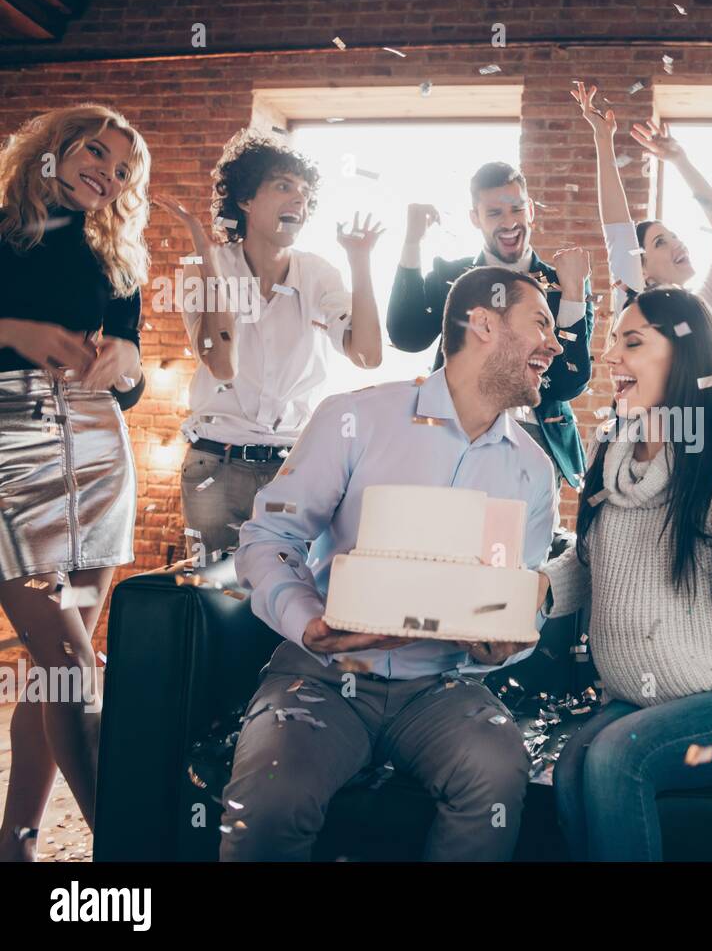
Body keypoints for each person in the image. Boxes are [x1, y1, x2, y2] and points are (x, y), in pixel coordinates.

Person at [222, 266, 562, 861]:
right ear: (483, 323)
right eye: (541, 324)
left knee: (498, 769)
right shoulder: (356, 418)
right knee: (272, 795)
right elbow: (268, 535)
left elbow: (516, 601)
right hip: (322, 676)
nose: (556, 346)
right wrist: (309, 622)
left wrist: (505, 644)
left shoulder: (533, 471)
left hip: (443, 686)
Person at [538, 286, 712, 861]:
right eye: (613, 342)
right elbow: (589, 565)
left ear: (683, 354)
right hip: (644, 698)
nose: (611, 358)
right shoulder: (611, 447)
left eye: (631, 343)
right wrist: (529, 593)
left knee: (616, 757)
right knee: (571, 768)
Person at [0, 105, 151, 861]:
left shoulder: (115, 254)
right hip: (7, 445)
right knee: (71, 665)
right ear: (52, 145)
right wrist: (11, 333)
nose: (110, 172)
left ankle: (17, 843)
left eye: (125, 168)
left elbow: (132, 373)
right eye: (97, 150)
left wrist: (126, 369)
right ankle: (124, 848)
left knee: (55, 670)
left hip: (96, 450)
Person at [158, 130, 384, 559]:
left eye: (304, 192)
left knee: (292, 595)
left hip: (293, 469)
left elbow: (368, 355)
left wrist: (360, 261)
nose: (298, 200)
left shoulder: (319, 274)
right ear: (246, 199)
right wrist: (207, 258)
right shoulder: (201, 270)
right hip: (214, 466)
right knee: (216, 597)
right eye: (283, 186)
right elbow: (222, 364)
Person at [386, 162, 593, 494]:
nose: (509, 222)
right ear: (475, 218)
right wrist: (412, 244)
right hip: (454, 432)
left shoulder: (565, 281)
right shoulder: (450, 276)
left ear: (531, 212)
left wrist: (571, 295)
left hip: (537, 438)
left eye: (516, 209)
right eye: (494, 212)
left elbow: (568, 383)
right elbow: (407, 336)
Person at [570, 81, 712, 325]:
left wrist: (681, 161)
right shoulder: (636, 304)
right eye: (660, 242)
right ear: (642, 270)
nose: (677, 243)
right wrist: (603, 139)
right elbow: (618, 231)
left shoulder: (703, 311)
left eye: (673, 236)